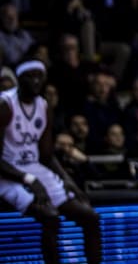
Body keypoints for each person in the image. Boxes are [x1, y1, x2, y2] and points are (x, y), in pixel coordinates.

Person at [0, 60, 103, 264]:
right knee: (50, 217)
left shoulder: (43, 106)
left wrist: (67, 180)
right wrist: (29, 180)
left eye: (40, 76)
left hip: (32, 168)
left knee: (90, 218)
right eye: (30, 76)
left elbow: (46, 155)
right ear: (19, 80)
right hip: (6, 172)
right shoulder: (5, 105)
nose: (36, 81)